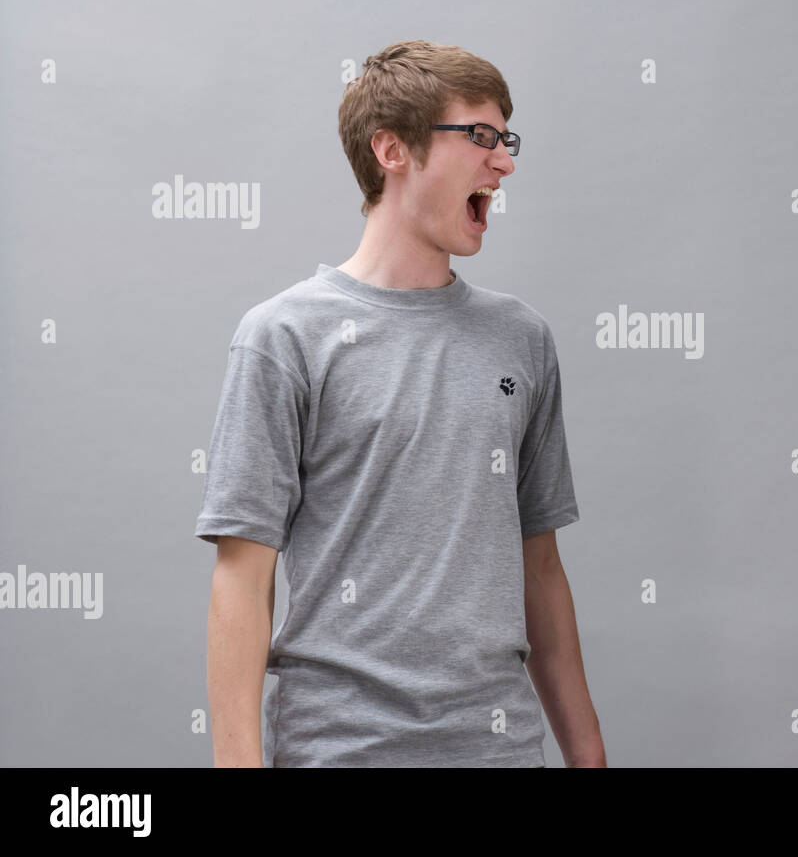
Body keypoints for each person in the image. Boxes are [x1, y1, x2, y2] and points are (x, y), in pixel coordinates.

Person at [195, 39, 605, 767]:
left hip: (499, 749)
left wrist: (588, 754)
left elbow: (539, 564)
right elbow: (242, 575)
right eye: (479, 136)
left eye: (506, 139)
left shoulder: (523, 339)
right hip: (340, 749)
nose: (504, 162)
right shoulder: (283, 336)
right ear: (392, 149)